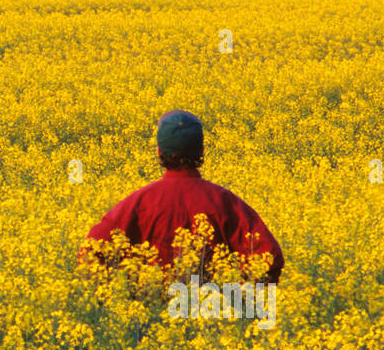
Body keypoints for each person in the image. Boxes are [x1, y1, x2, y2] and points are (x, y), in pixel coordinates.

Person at [81, 110, 283, 283]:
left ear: (159, 152)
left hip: (147, 318)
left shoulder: (139, 203)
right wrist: (235, 298)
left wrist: (121, 293)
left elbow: (91, 251)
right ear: (202, 152)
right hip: (210, 317)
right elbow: (269, 257)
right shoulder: (223, 202)